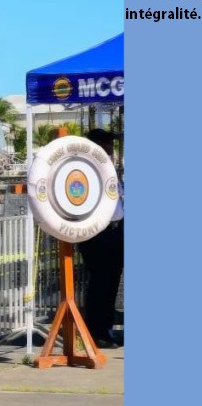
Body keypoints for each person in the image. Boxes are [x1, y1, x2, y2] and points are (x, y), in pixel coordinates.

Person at [76, 128, 123, 348]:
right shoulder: (88, 169)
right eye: (106, 143)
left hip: (115, 231)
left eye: (110, 144)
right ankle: (96, 332)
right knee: (100, 283)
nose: (110, 148)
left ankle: (106, 328)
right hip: (98, 234)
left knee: (111, 282)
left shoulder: (109, 168)